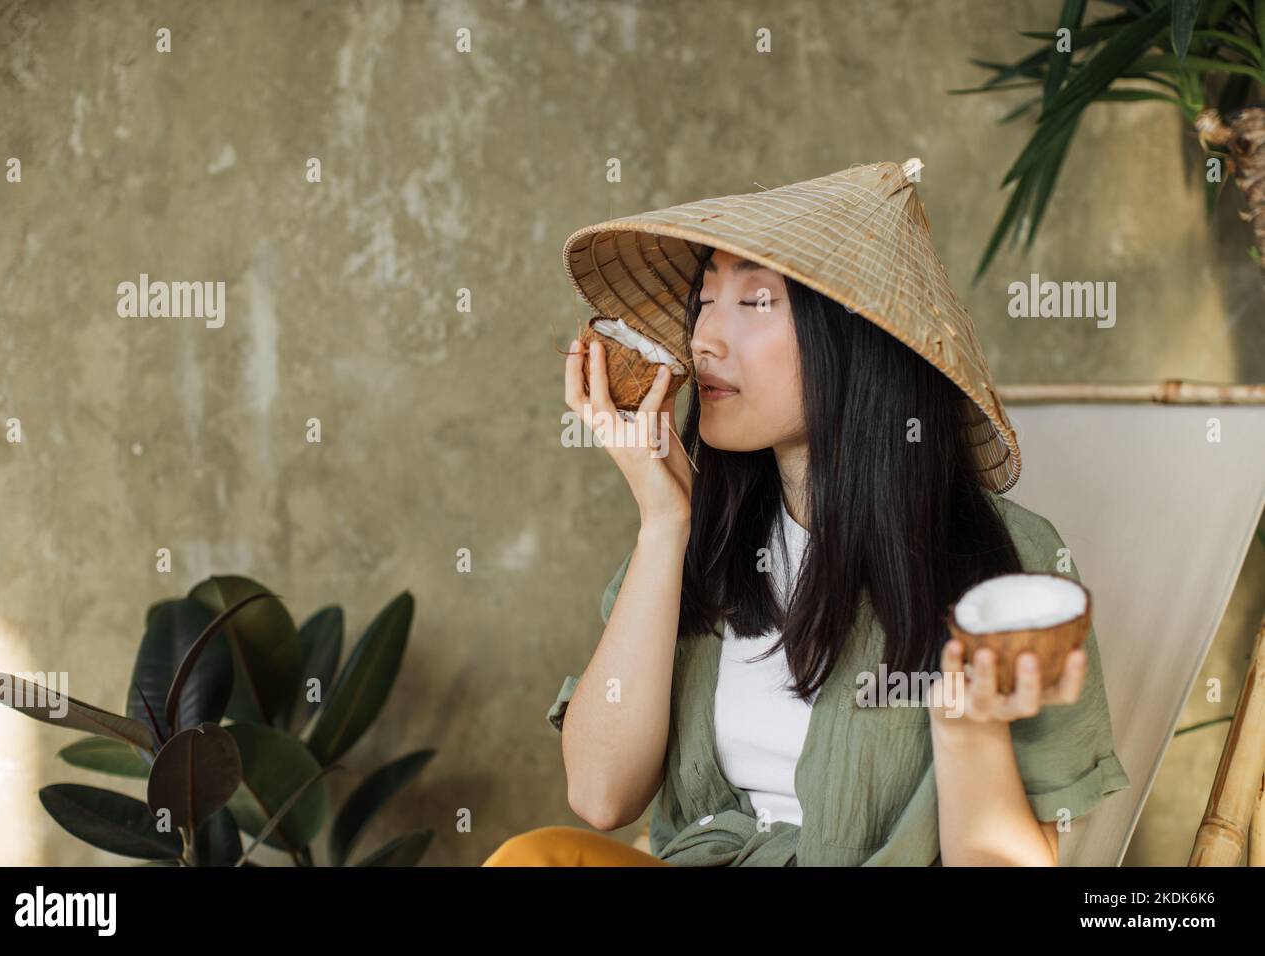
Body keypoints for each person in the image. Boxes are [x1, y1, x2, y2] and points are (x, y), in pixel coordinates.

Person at [484, 162, 1129, 867]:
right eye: (705, 299)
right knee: (537, 856)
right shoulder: (711, 535)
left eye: (756, 302)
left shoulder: (1006, 564)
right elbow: (602, 795)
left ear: (859, 340)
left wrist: (968, 727)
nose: (703, 339)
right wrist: (664, 525)